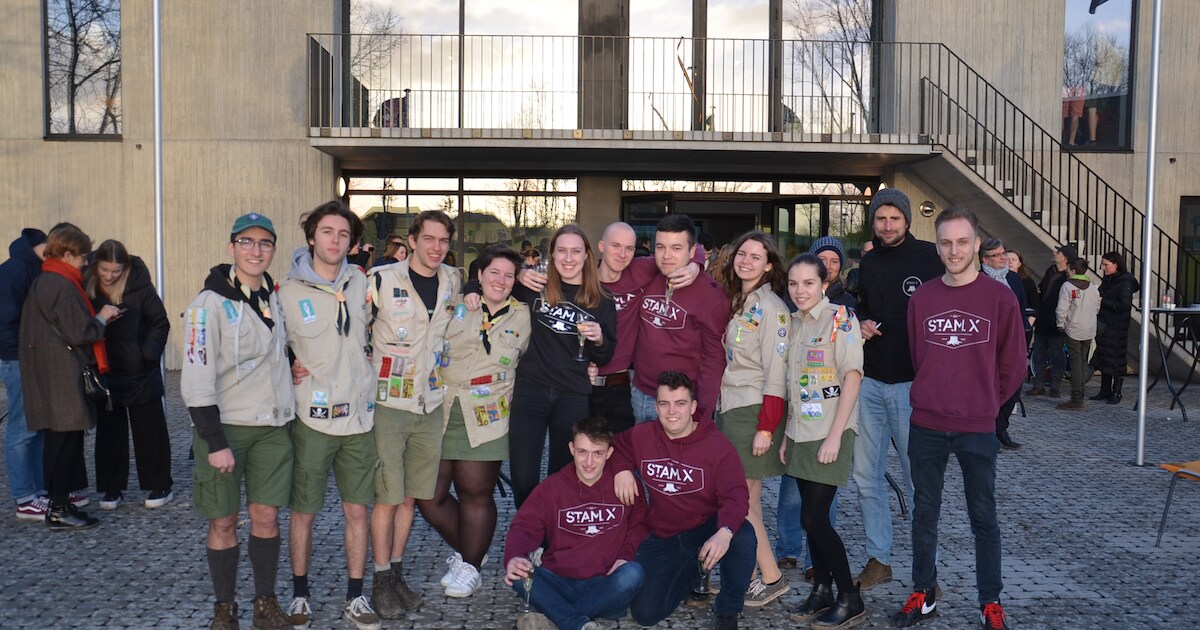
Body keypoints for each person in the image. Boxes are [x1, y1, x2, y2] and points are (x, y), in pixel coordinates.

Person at [895, 206, 1025, 630]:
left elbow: (1014, 365)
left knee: (983, 516)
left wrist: (985, 403)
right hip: (927, 424)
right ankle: (923, 591)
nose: (954, 250)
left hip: (977, 427)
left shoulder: (1000, 297)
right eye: (947, 242)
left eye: (963, 242)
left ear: (976, 244)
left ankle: (990, 601)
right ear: (937, 246)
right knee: (924, 511)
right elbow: (919, 356)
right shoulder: (923, 297)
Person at [181, 213, 296, 629]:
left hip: (272, 428)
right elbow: (195, 380)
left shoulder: (275, 296)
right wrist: (214, 442)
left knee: (266, 518)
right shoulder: (207, 305)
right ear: (231, 247)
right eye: (247, 242)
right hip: (226, 430)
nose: (256, 250)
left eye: (265, 243)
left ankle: (265, 603)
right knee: (224, 519)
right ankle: (224, 609)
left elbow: (279, 351)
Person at [277, 201, 381, 629]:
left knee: (358, 512)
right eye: (327, 232)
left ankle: (355, 597)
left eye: (343, 234)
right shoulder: (285, 292)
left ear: (351, 241)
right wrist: (287, 363)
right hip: (313, 419)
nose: (335, 240)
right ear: (311, 237)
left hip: (359, 419)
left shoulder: (363, 282)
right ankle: (300, 594)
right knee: (304, 511)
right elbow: (267, 344)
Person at [419, 245, 531, 599]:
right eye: (493, 273)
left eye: (508, 275)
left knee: (475, 494)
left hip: (487, 414)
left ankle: (468, 566)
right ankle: (473, 555)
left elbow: (538, 359)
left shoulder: (524, 316)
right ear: (479, 275)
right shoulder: (457, 305)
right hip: (441, 407)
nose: (500, 280)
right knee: (428, 496)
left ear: (516, 281)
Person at [366, 209, 462, 616]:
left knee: (408, 498)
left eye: (443, 241)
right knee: (386, 499)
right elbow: (352, 331)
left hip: (429, 405)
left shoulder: (453, 282)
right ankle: (380, 576)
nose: (436, 248)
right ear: (413, 239)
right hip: (389, 405)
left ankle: (397, 573)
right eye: (429, 239)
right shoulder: (381, 280)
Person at [612, 371, 756, 630]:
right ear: (656, 407)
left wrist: (724, 532)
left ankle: (728, 610)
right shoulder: (642, 436)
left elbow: (735, 496)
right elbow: (617, 447)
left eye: (680, 403)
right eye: (664, 404)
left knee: (743, 534)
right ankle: (694, 573)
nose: (671, 412)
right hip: (663, 534)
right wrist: (622, 469)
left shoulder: (717, 446)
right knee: (645, 614)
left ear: (692, 407)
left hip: (705, 527)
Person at [852, 188, 942, 590]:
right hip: (870, 383)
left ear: (907, 220)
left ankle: (928, 571)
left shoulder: (929, 257)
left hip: (912, 386)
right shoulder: (868, 262)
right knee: (866, 477)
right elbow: (863, 304)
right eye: (880, 219)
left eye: (894, 218)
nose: (887, 226)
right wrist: (863, 321)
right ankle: (879, 559)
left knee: (917, 481)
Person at [491, 224, 617, 507]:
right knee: (523, 478)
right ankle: (530, 535)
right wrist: (518, 270)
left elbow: (606, 357)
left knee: (562, 476)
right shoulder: (534, 288)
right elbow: (488, 273)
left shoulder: (603, 301)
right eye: (562, 251)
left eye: (575, 251)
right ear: (553, 254)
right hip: (530, 390)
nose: (568, 258)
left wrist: (599, 341)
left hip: (572, 396)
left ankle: (549, 545)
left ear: (586, 255)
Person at [782, 253, 866, 629]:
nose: (800, 290)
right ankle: (822, 588)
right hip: (801, 431)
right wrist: (786, 434)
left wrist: (835, 436)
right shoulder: (794, 323)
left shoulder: (840, 319)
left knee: (814, 518)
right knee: (810, 519)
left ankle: (850, 596)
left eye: (808, 283)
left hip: (831, 431)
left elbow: (852, 377)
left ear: (823, 283)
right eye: (794, 283)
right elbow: (793, 385)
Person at [503, 417, 647, 630]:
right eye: (582, 452)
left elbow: (640, 525)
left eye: (597, 453)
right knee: (519, 575)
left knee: (633, 574)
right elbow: (524, 526)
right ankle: (575, 622)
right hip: (559, 579)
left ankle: (557, 615)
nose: (589, 462)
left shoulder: (625, 485)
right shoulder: (552, 488)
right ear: (571, 449)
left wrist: (625, 555)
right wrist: (515, 556)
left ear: (609, 453)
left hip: (604, 581)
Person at [21, 225, 121, 530]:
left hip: (48, 375)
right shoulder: (62, 285)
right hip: (62, 377)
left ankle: (59, 505)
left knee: (58, 442)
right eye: (81, 255)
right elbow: (81, 332)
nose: (85, 262)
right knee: (63, 444)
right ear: (66, 254)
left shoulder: (45, 280)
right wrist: (103, 317)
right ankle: (60, 508)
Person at [716, 231, 791, 607]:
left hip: (752, 411)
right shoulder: (739, 301)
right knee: (749, 502)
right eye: (741, 253)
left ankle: (772, 577)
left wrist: (766, 426)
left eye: (755, 256)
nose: (745, 261)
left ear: (769, 265)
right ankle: (749, 576)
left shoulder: (772, 307)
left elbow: (777, 371)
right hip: (732, 407)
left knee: (742, 501)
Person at [84, 240, 174, 510]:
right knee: (110, 432)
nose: (110, 275)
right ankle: (112, 489)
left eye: (116, 270)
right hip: (105, 368)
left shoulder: (139, 284)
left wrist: (146, 355)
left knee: (150, 430)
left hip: (139, 370)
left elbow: (160, 321)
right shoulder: (86, 285)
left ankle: (160, 485)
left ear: (125, 268)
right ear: (96, 265)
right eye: (105, 270)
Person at [590, 221, 701, 434]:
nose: (622, 254)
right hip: (582, 383)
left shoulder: (641, 270)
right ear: (601, 246)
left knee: (621, 453)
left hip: (620, 385)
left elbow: (686, 252)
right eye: (615, 246)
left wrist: (695, 266)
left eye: (629, 248)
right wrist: (520, 274)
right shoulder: (583, 280)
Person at [631, 214, 729, 424]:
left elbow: (713, 359)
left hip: (682, 402)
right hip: (641, 394)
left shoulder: (712, 296)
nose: (667, 256)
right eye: (660, 247)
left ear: (692, 251)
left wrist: (702, 412)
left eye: (676, 248)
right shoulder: (647, 275)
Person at [2, 227, 51, 521]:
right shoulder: (16, 270)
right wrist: (20, 355)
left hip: (28, 357)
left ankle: (39, 491)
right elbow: (5, 322)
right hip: (18, 359)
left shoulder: (31, 268)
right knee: (22, 428)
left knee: (36, 427)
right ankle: (24, 497)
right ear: (40, 246)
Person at [980, 238, 1028, 450]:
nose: (1003, 258)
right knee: (988, 387)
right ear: (985, 260)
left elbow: (1024, 306)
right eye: (998, 255)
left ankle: (1001, 427)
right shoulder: (977, 280)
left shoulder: (1014, 279)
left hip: (1014, 340)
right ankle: (988, 430)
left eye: (1003, 254)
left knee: (1014, 385)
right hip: (988, 343)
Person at [1090, 251, 1139, 404]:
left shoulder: (1125, 281)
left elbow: (1124, 306)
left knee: (1116, 358)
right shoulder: (1109, 279)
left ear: (1116, 264)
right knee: (1104, 356)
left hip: (1117, 326)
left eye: (1106, 265)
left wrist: (1102, 301)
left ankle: (1116, 392)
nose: (1103, 267)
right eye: (1102, 264)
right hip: (1105, 323)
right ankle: (1105, 390)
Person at [1054, 257, 1101, 411]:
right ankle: (1079, 395)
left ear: (1073, 270)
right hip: (1089, 329)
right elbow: (1096, 308)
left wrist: (1060, 324)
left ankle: (1076, 398)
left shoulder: (1067, 286)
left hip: (1073, 329)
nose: (1067, 271)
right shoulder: (1093, 287)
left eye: (1069, 269)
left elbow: (1062, 309)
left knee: (1075, 364)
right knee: (1082, 362)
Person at [1029, 245, 1074, 397]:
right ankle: (1038, 385)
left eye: (1058, 252)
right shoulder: (1051, 271)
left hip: (1057, 322)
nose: (1054, 253)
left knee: (1057, 355)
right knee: (1038, 354)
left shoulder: (1068, 276)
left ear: (1065, 258)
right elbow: (1042, 289)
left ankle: (1055, 385)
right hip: (1043, 319)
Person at [810, 236, 857, 308]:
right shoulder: (795, 296)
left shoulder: (848, 303)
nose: (827, 266)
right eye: (822, 260)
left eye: (834, 261)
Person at [1005, 250, 1039, 347]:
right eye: (1007, 259)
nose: (1010, 262)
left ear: (1019, 263)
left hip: (1023, 324)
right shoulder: (998, 280)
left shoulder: (1027, 281)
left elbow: (1035, 305)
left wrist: (1028, 324)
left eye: (1013, 260)